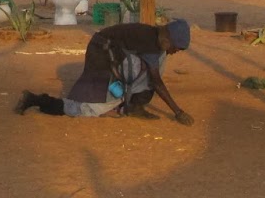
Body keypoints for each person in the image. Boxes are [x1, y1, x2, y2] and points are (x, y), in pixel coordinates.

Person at [15, 19, 194, 125]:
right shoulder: (151, 43)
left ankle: (134, 105)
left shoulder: (155, 42)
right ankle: (36, 100)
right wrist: (178, 112)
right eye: (176, 48)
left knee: (155, 63)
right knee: (87, 109)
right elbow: (156, 82)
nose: (175, 52)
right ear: (167, 39)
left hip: (110, 54)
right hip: (101, 54)